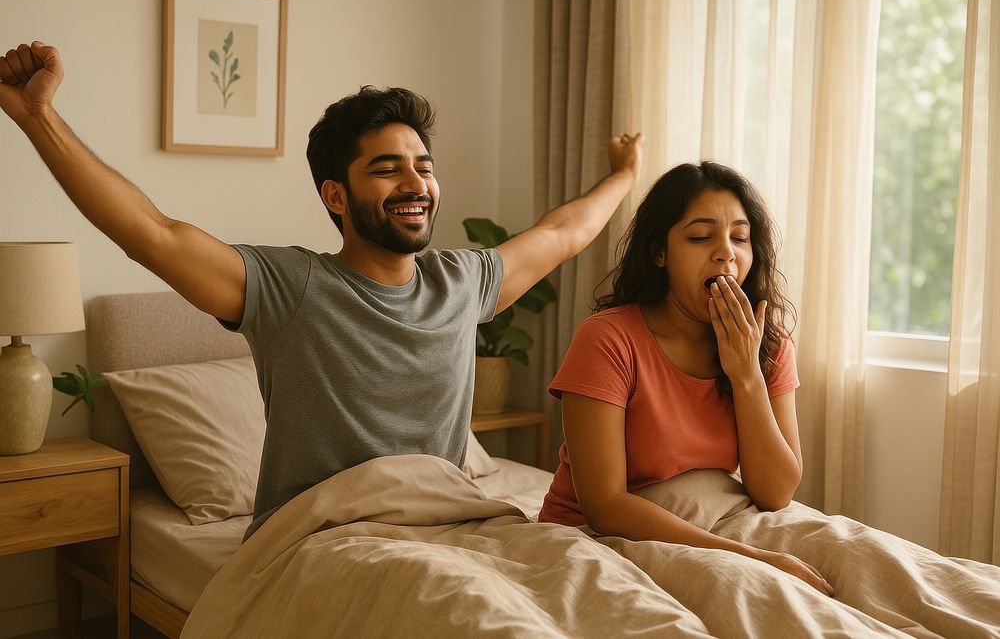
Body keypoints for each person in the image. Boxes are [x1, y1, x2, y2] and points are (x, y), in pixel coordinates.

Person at [0, 41, 643, 540]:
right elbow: (155, 234)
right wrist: (38, 118)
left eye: (423, 166)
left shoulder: (462, 283)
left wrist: (627, 175)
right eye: (386, 170)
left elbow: (563, 233)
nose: (415, 183)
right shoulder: (289, 288)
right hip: (327, 535)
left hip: (454, 526)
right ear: (335, 195)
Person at [536, 161, 834, 595]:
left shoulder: (767, 342)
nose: (725, 252)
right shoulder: (608, 338)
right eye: (700, 236)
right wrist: (749, 557)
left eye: (740, 237)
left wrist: (746, 374)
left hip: (714, 518)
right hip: (596, 537)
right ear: (659, 253)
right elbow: (604, 507)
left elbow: (775, 493)